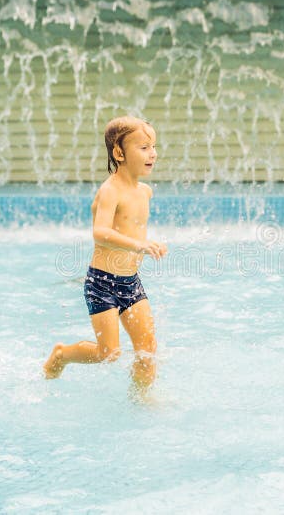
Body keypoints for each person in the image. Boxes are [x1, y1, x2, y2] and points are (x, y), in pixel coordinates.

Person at [44, 116, 167, 392]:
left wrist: (149, 244)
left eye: (154, 146)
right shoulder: (110, 191)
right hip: (102, 283)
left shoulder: (145, 192)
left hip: (130, 282)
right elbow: (100, 232)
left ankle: (141, 400)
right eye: (144, 147)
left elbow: (133, 231)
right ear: (120, 153)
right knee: (108, 353)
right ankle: (62, 354)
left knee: (147, 351)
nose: (153, 154)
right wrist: (138, 246)